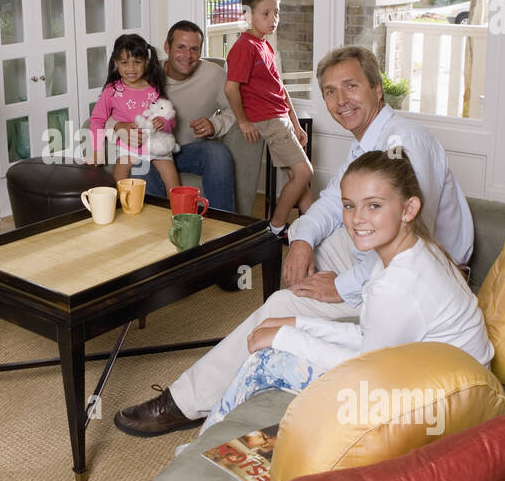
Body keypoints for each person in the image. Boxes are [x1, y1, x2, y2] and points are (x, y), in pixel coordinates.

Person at [114, 44, 474, 436]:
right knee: (303, 262)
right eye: (330, 92)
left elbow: (409, 233)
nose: (341, 100)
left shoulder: (402, 144)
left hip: (417, 261)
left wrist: (342, 285)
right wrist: (300, 241)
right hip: (380, 250)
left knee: (289, 299)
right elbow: (332, 202)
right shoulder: (368, 140)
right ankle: (238, 357)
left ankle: (188, 400)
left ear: (377, 89)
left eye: (351, 86)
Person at [199, 149, 492, 433]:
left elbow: (363, 369)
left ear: (409, 209)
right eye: (349, 205)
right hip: (450, 387)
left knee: (265, 362)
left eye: (374, 206)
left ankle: (199, 454)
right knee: (281, 345)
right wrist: (297, 324)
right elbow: (370, 337)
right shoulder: (412, 251)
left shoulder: (397, 285)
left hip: (448, 411)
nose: (356, 219)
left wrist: (285, 338)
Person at [224, 0, 313, 238]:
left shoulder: (265, 46)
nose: (273, 19)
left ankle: (313, 233)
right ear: (248, 15)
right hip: (269, 119)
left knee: (300, 180)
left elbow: (280, 88)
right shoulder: (244, 47)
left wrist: (295, 124)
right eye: (266, 13)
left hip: (281, 119)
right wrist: (243, 122)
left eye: (276, 13)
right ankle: (275, 228)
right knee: (305, 172)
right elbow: (231, 89)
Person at [142, 20, 237, 213]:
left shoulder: (214, 75)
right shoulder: (147, 75)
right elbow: (113, 107)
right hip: (152, 152)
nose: (187, 55)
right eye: (181, 47)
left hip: (189, 152)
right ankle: (163, 228)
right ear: (167, 47)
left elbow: (237, 109)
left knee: (217, 153)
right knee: (140, 163)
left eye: (194, 49)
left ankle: (224, 231)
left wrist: (215, 124)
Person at [87, 33, 181, 190]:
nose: (131, 68)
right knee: (118, 180)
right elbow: (97, 120)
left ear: (146, 62)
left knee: (172, 179)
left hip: (156, 143)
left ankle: (181, 212)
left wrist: (163, 122)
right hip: (127, 147)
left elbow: (170, 117)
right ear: (116, 63)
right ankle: (116, 207)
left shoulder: (154, 88)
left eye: (137, 62)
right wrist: (97, 151)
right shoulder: (112, 91)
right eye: (124, 62)